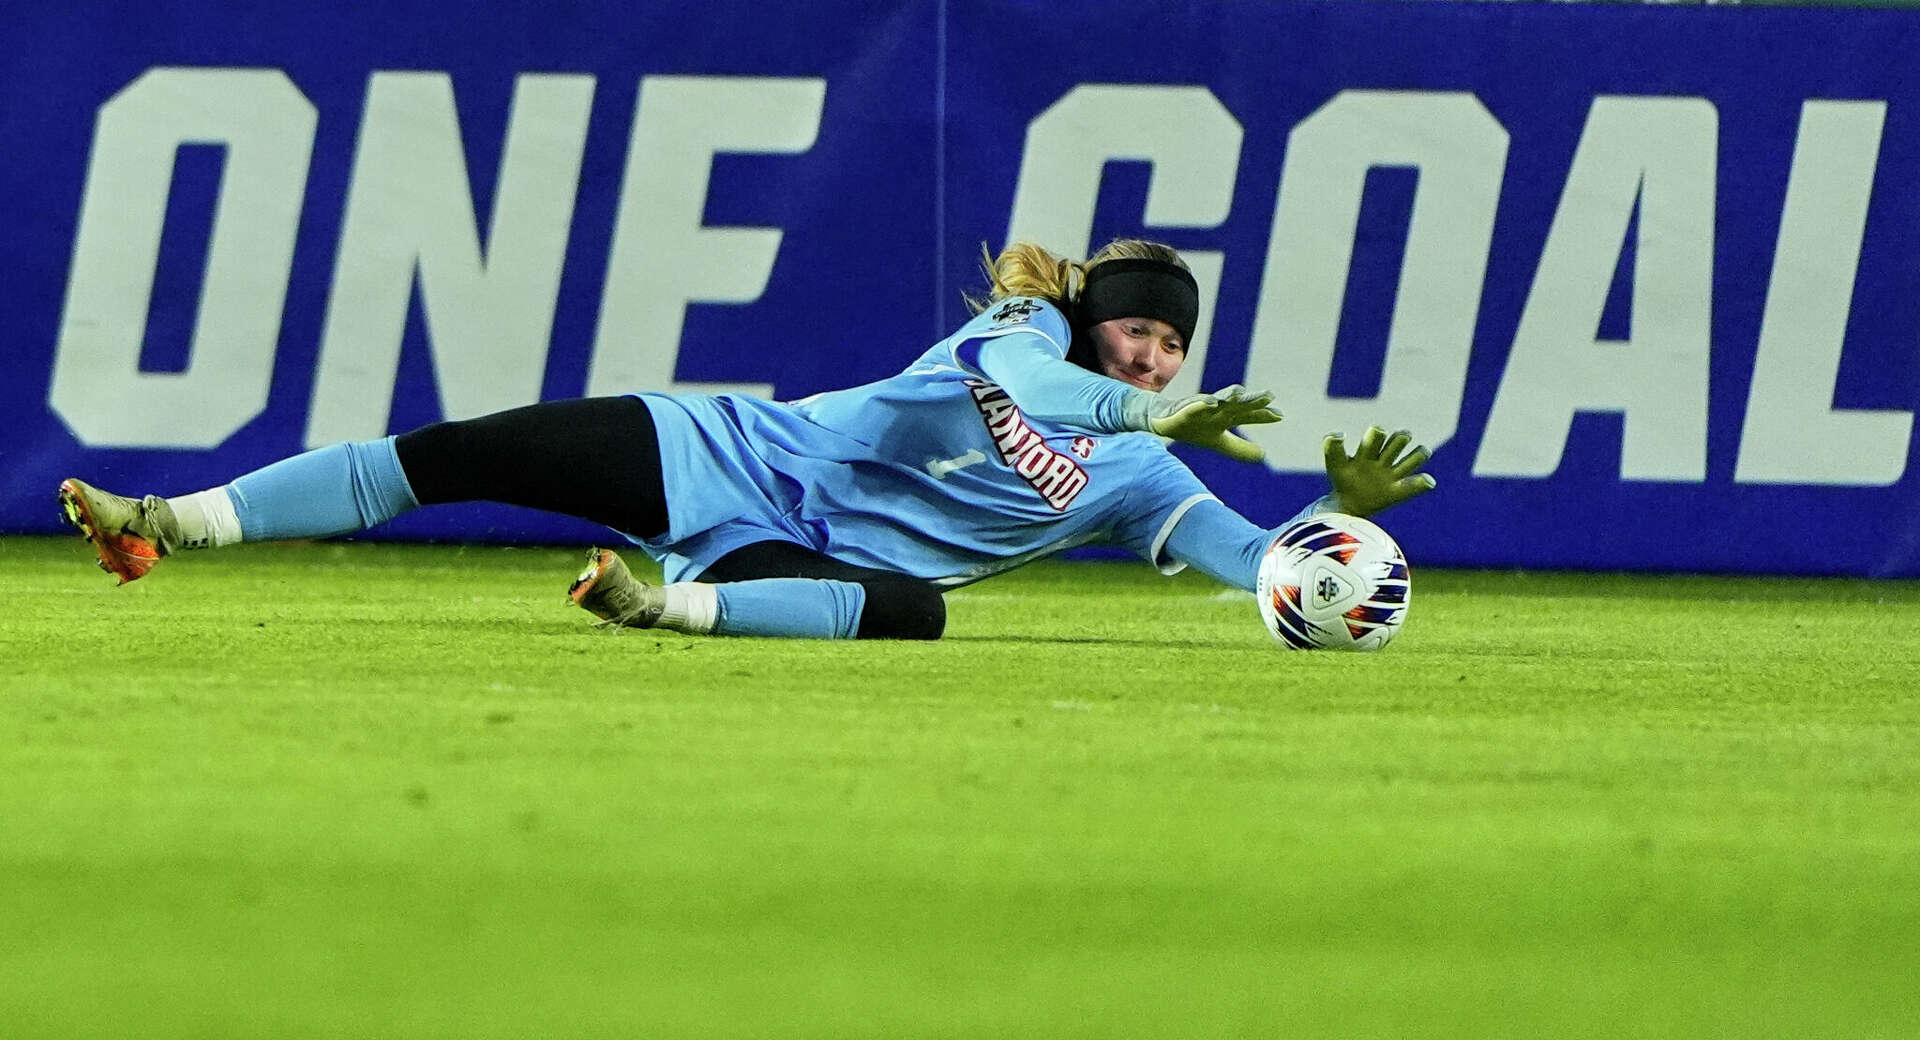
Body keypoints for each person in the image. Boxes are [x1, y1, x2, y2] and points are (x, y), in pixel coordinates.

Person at [58, 238, 1435, 641]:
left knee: (918, 612)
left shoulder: (1142, 476)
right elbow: (1074, 399)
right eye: (1138, 332)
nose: (1152, 354)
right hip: (721, 447)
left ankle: (661, 606)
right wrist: (1146, 404)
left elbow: (1250, 561)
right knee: (450, 452)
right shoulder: (1019, 344)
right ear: (1096, 323)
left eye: (1170, 344)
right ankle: (169, 523)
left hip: (782, 555)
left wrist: (1332, 527)